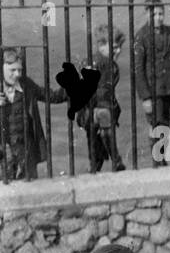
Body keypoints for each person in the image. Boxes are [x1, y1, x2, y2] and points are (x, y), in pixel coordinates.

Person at [1, 46, 67, 180]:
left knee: (29, 181)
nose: (17, 74)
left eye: (19, 70)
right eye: (12, 70)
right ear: (2, 68)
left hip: (26, 147)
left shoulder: (26, 84)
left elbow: (52, 96)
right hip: (4, 150)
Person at [133, 0, 170, 159]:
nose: (159, 18)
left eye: (161, 14)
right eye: (155, 14)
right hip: (153, 91)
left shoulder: (169, 31)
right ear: (147, 14)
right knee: (156, 125)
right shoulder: (141, 36)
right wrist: (145, 97)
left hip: (169, 88)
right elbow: (138, 70)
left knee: (167, 125)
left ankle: (162, 158)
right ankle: (157, 160)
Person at [78, 25, 127, 173]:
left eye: (119, 47)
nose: (118, 51)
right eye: (114, 47)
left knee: (95, 154)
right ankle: (116, 160)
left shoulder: (104, 63)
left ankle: (99, 167)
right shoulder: (104, 64)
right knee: (98, 145)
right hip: (95, 111)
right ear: (101, 45)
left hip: (91, 112)